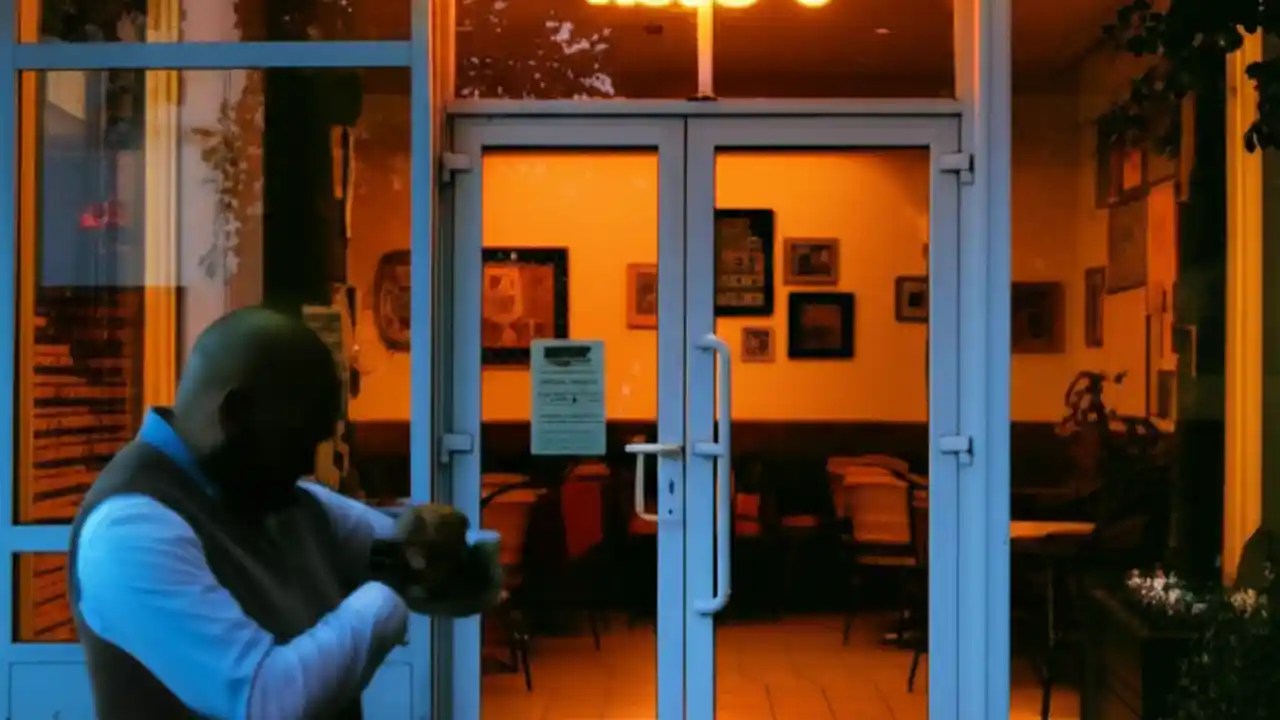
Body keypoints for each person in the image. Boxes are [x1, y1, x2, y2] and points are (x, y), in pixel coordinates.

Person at [69, 307, 495, 719]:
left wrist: (445, 548)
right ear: (235, 415)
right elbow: (265, 700)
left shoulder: (284, 498)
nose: (306, 462)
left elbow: (446, 571)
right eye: (299, 440)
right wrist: (392, 589)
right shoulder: (128, 530)